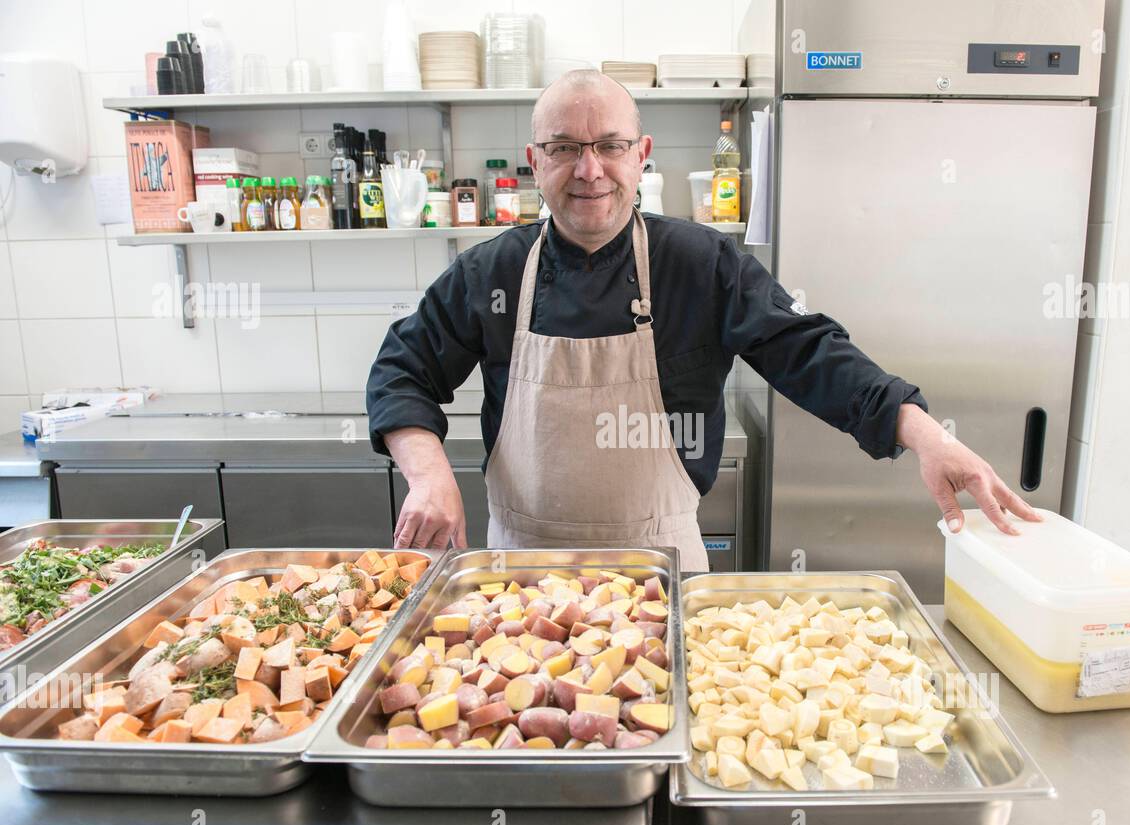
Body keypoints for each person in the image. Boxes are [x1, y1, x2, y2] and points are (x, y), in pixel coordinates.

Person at [367, 70, 1038, 570]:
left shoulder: (702, 263)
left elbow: (805, 349)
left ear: (642, 153)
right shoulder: (493, 274)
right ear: (535, 159)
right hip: (521, 579)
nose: (589, 169)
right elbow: (403, 365)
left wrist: (924, 435)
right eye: (565, 148)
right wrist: (427, 475)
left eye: (609, 145)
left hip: (666, 573)